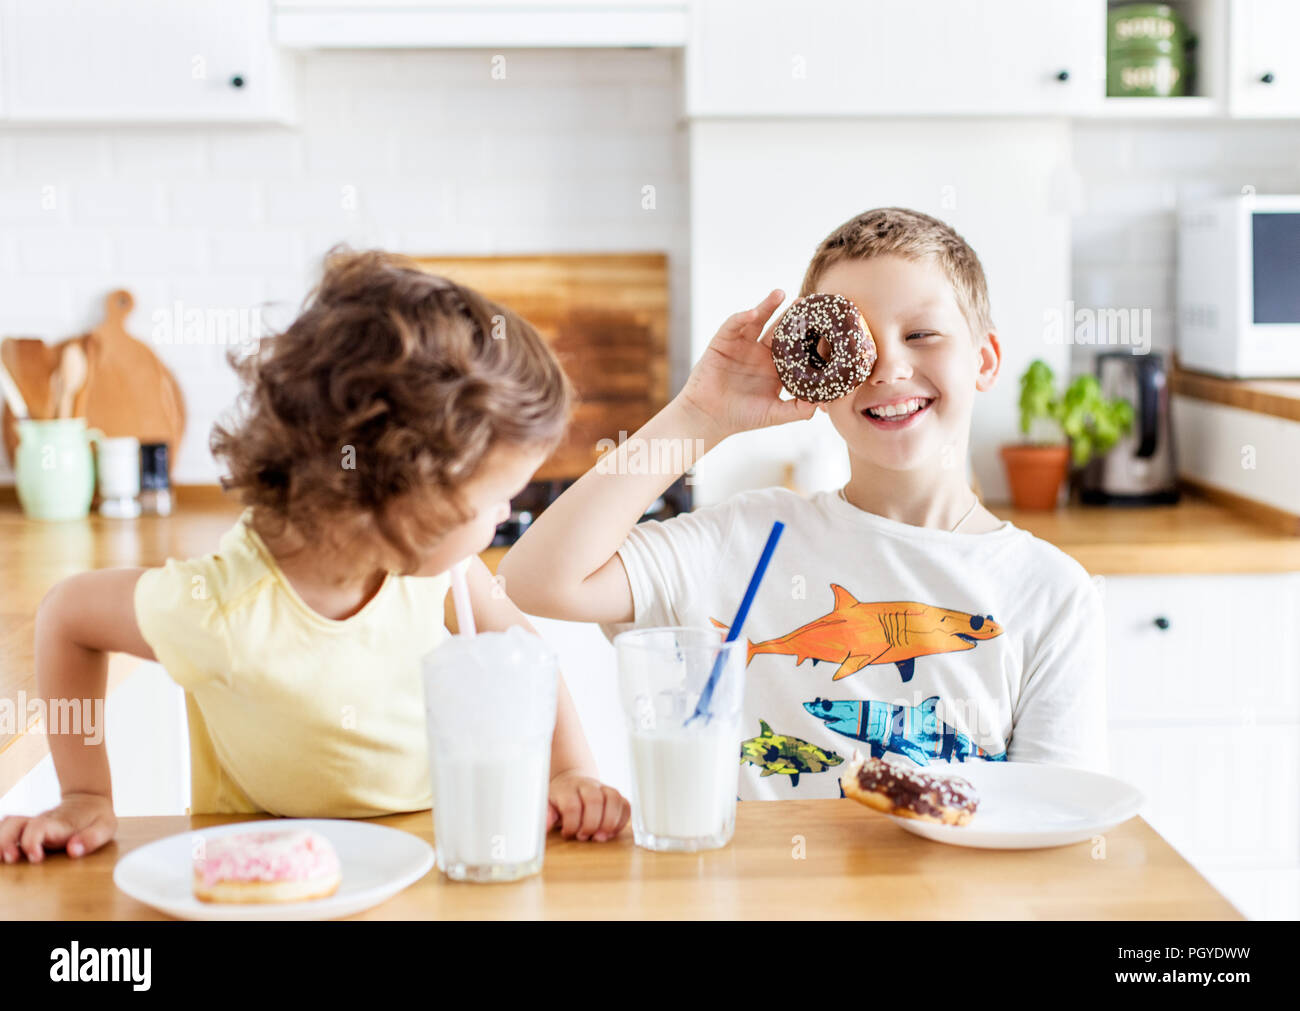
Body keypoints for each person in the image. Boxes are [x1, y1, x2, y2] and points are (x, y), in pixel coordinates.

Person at [1, 248, 629, 863]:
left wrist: (570, 770)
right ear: (402, 491)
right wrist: (84, 792)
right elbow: (67, 616)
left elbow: (526, 657)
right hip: (264, 877)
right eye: (497, 498)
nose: (506, 517)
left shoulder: (437, 570)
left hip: (429, 855)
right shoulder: (222, 608)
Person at [500, 207, 1107, 800]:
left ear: (985, 360)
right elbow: (535, 581)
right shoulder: (749, 539)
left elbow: (1053, 821)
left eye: (921, 334)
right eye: (854, 343)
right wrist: (699, 417)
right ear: (817, 373)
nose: (889, 366)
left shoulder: (1050, 593)